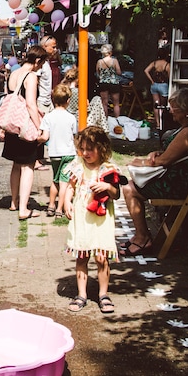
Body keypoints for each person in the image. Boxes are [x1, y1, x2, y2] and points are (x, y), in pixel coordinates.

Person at [119, 87, 188, 256]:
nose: (171, 111)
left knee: (129, 189)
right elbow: (172, 154)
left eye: (174, 108)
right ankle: (141, 236)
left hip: (179, 185)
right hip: (183, 182)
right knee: (131, 186)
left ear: (187, 111)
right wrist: (158, 154)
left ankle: (142, 238)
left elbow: (164, 161)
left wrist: (140, 162)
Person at [61, 126, 120, 314]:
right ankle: (81, 294)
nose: (85, 153)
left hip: (101, 220)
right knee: (82, 255)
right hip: (82, 217)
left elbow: (116, 194)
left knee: (102, 257)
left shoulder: (108, 169)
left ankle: (103, 294)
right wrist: (66, 202)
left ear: (101, 148)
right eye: (82, 149)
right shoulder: (78, 167)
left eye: (89, 149)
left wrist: (107, 187)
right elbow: (70, 187)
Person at [2, 45, 46, 220]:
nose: (41, 67)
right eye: (42, 63)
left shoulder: (14, 73)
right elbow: (30, 105)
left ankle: (14, 202)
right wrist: (40, 126)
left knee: (15, 165)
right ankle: (23, 209)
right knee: (28, 166)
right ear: (37, 61)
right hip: (24, 126)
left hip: (11, 124)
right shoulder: (31, 76)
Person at [39, 84, 77, 217]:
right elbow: (74, 137)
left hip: (54, 153)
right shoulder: (71, 118)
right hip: (68, 153)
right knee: (64, 182)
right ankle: (60, 209)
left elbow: (45, 137)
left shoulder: (48, 117)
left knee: (55, 179)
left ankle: (50, 205)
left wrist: (37, 140)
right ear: (68, 101)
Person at [144, 48, 171, 130]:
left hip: (154, 85)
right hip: (163, 85)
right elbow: (170, 76)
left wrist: (151, 80)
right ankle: (162, 123)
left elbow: (146, 70)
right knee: (162, 106)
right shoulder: (167, 65)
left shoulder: (154, 63)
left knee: (156, 105)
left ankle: (158, 124)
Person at [96, 44, 123, 119]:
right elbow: (118, 72)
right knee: (116, 104)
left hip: (103, 83)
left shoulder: (99, 62)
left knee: (104, 103)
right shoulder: (114, 61)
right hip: (114, 82)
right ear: (110, 52)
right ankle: (117, 119)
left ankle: (105, 120)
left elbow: (98, 73)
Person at [37, 36, 60, 114]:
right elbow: (35, 82)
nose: (55, 50)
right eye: (53, 47)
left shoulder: (47, 61)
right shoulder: (40, 63)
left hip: (48, 102)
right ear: (44, 46)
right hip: (41, 103)